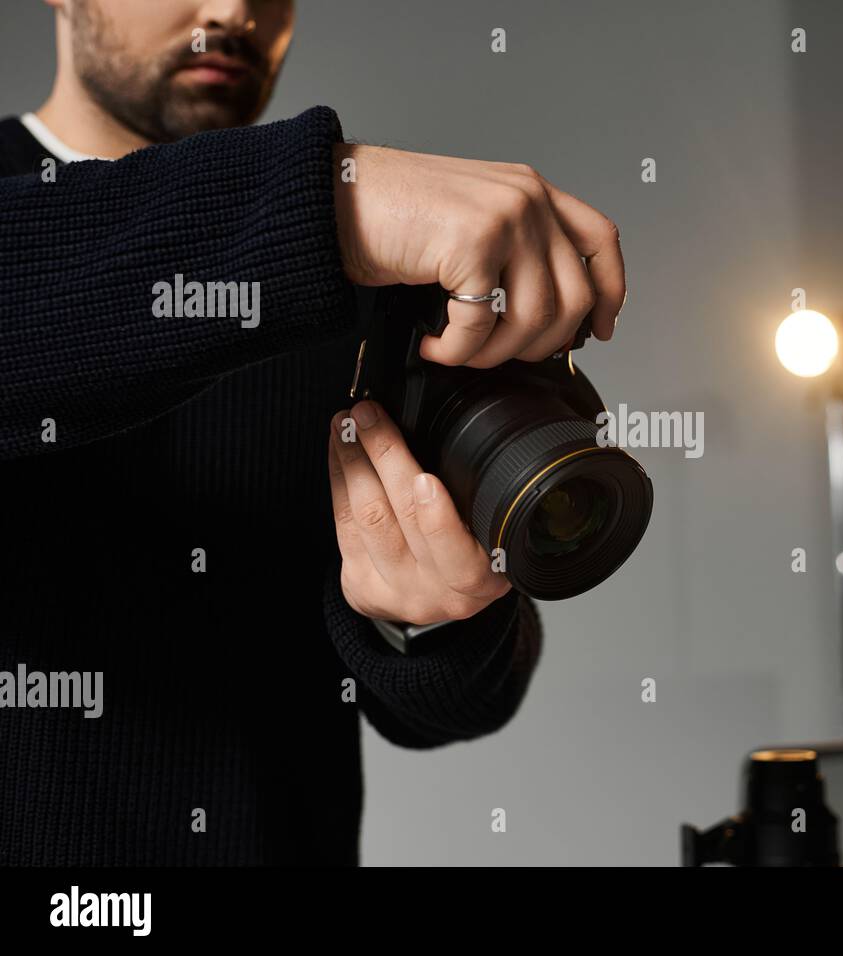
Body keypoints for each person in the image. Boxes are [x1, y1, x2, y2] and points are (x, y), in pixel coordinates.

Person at [0, 0, 625, 865]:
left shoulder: (361, 285)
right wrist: (315, 206)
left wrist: (436, 621)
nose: (232, 10)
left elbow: (449, 710)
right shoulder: (328, 232)